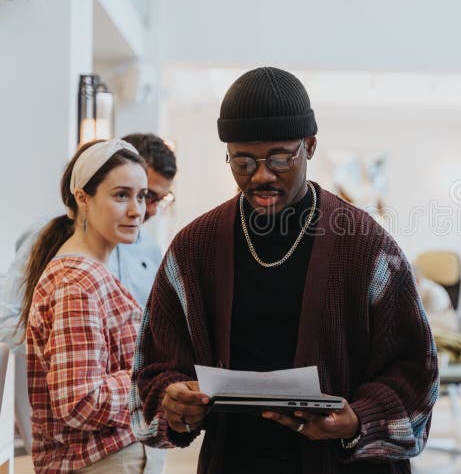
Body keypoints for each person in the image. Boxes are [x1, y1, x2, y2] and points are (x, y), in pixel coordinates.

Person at [130, 67, 438, 473]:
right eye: (243, 162)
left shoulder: (365, 245)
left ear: (309, 146)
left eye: (279, 158)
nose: (261, 175)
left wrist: (356, 420)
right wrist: (173, 400)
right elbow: (154, 366)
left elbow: (415, 370)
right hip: (235, 461)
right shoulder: (194, 247)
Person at [0, 133, 175, 461]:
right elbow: (80, 400)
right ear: (83, 197)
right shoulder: (76, 279)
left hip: (130, 436)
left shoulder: (140, 250)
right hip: (98, 450)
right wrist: (150, 378)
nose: (139, 210)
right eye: (122, 195)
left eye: (144, 196)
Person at [413, 265, 458, 331]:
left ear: (417, 280)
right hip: (436, 314)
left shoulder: (424, 288)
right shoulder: (427, 284)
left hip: (438, 317)